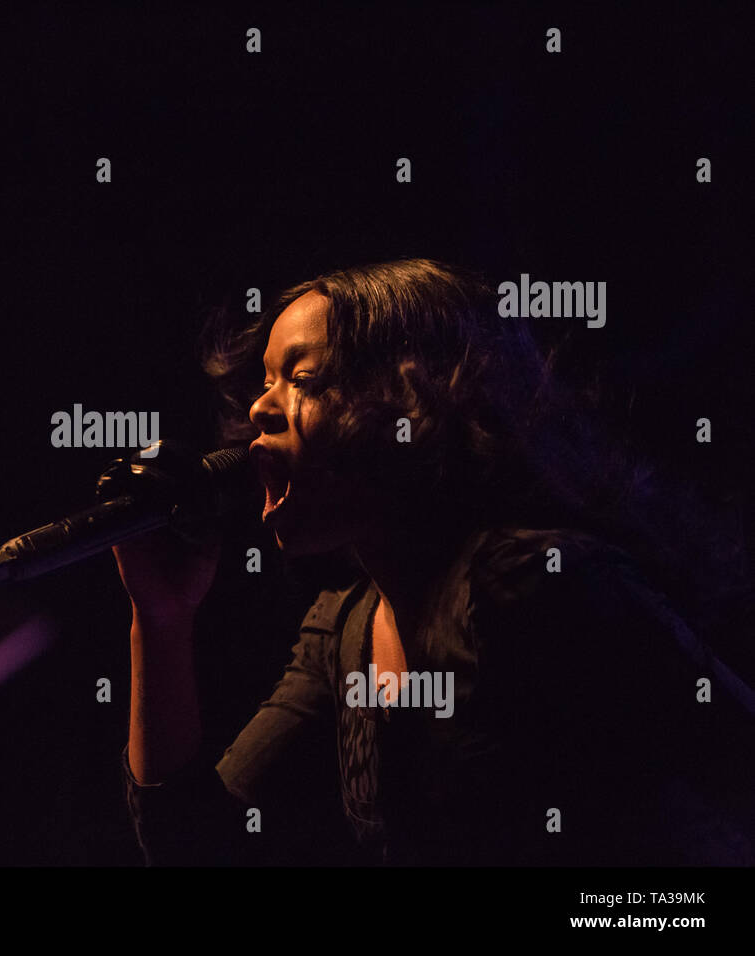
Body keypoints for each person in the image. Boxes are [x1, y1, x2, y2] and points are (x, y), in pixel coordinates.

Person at [112, 258, 755, 866]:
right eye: (265, 383)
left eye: (303, 380)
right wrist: (160, 620)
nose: (258, 408)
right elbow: (192, 847)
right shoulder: (343, 631)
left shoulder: (532, 582)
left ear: (411, 403)